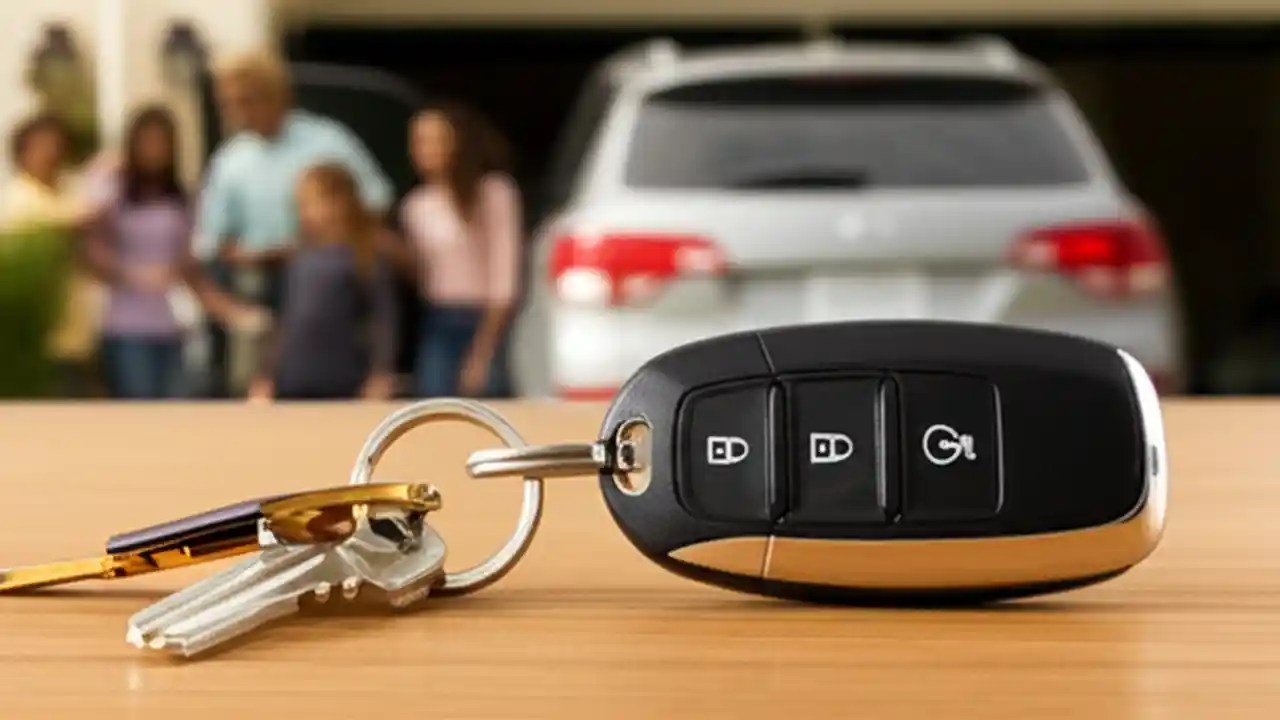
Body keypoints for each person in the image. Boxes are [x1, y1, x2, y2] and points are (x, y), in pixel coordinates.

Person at [196, 50, 392, 391]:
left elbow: (375, 203)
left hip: (331, 281)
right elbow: (211, 241)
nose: (237, 111)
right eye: (228, 103)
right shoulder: (230, 160)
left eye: (246, 100)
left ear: (275, 94)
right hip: (259, 286)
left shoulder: (328, 140)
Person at [85, 105, 254, 399]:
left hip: (173, 326)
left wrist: (230, 309)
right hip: (128, 327)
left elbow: (190, 269)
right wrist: (133, 273)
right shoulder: (116, 194)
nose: (154, 150)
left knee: (177, 412)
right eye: (146, 141)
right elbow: (88, 246)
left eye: (161, 142)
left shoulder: (181, 200)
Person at [393, 104, 521, 398]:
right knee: (434, 399)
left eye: (435, 140)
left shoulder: (494, 193)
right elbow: (425, 274)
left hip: (484, 318)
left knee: (488, 395)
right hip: (439, 318)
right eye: (419, 142)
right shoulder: (416, 206)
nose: (425, 150)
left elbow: (504, 276)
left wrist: (482, 351)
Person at [249, 163, 398, 401]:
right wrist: (265, 375)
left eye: (312, 203)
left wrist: (381, 373)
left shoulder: (365, 256)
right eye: (301, 205)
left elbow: (383, 320)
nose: (305, 212)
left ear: (340, 202)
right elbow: (284, 320)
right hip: (293, 375)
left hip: (343, 375)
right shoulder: (297, 257)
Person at [2, 114, 99, 395]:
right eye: (42, 146)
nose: (51, 153)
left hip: (78, 337)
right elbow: (70, 222)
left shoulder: (67, 191)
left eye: (56, 145)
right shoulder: (17, 197)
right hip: (37, 340)